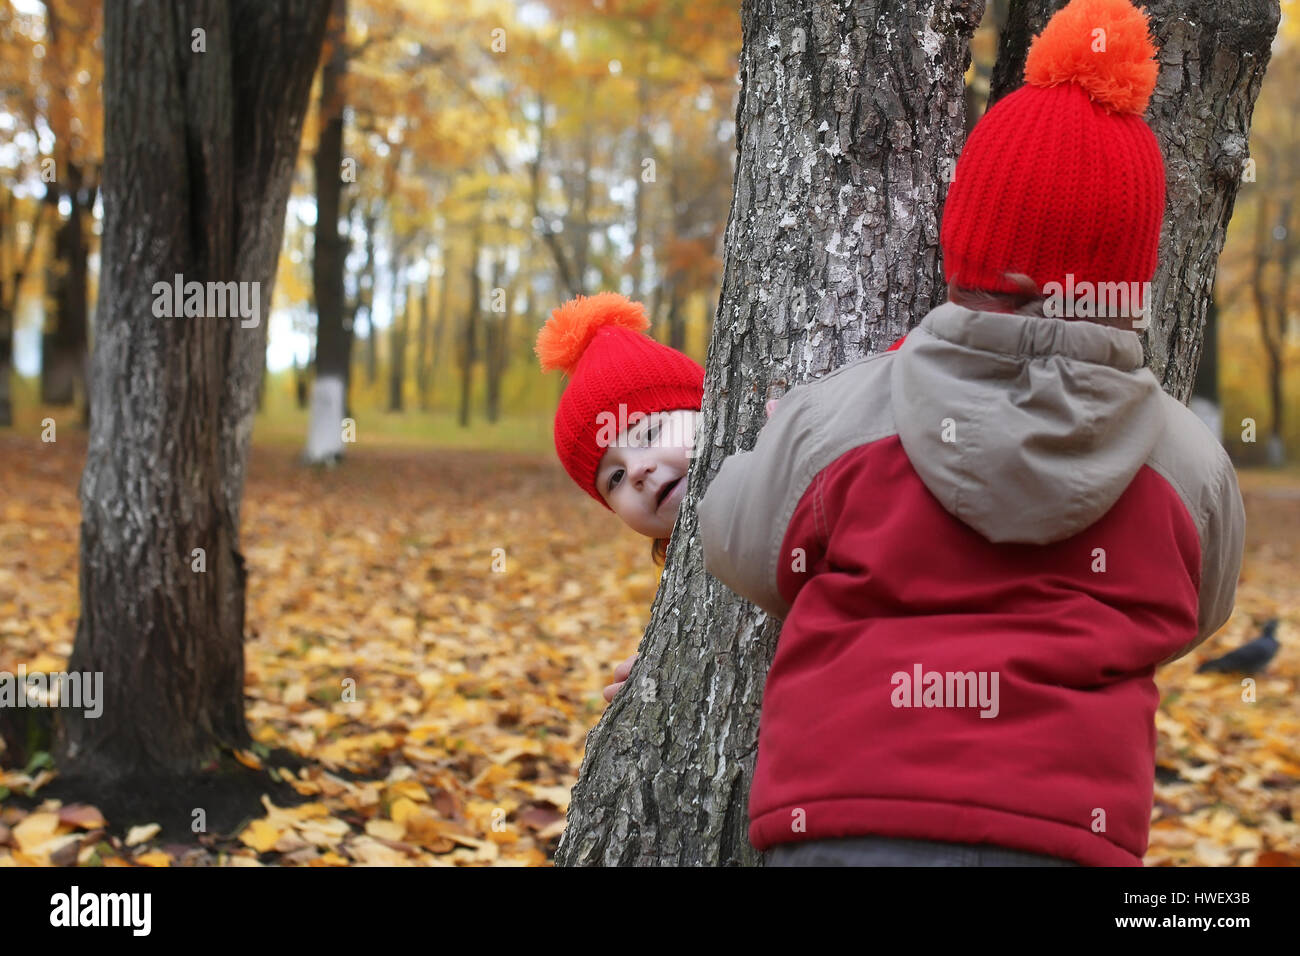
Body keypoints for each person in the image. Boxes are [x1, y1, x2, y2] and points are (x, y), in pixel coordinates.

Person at [696, 0, 1246, 867]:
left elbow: (737, 543)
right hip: (1066, 835)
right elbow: (1198, 611)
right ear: (1132, 277)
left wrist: (771, 446)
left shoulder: (844, 420)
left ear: (964, 243)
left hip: (843, 819)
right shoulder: (1186, 465)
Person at [535, 292, 705, 701]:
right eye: (613, 479)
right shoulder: (682, 574)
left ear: (712, 409)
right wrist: (659, 667)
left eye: (649, 434)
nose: (636, 470)